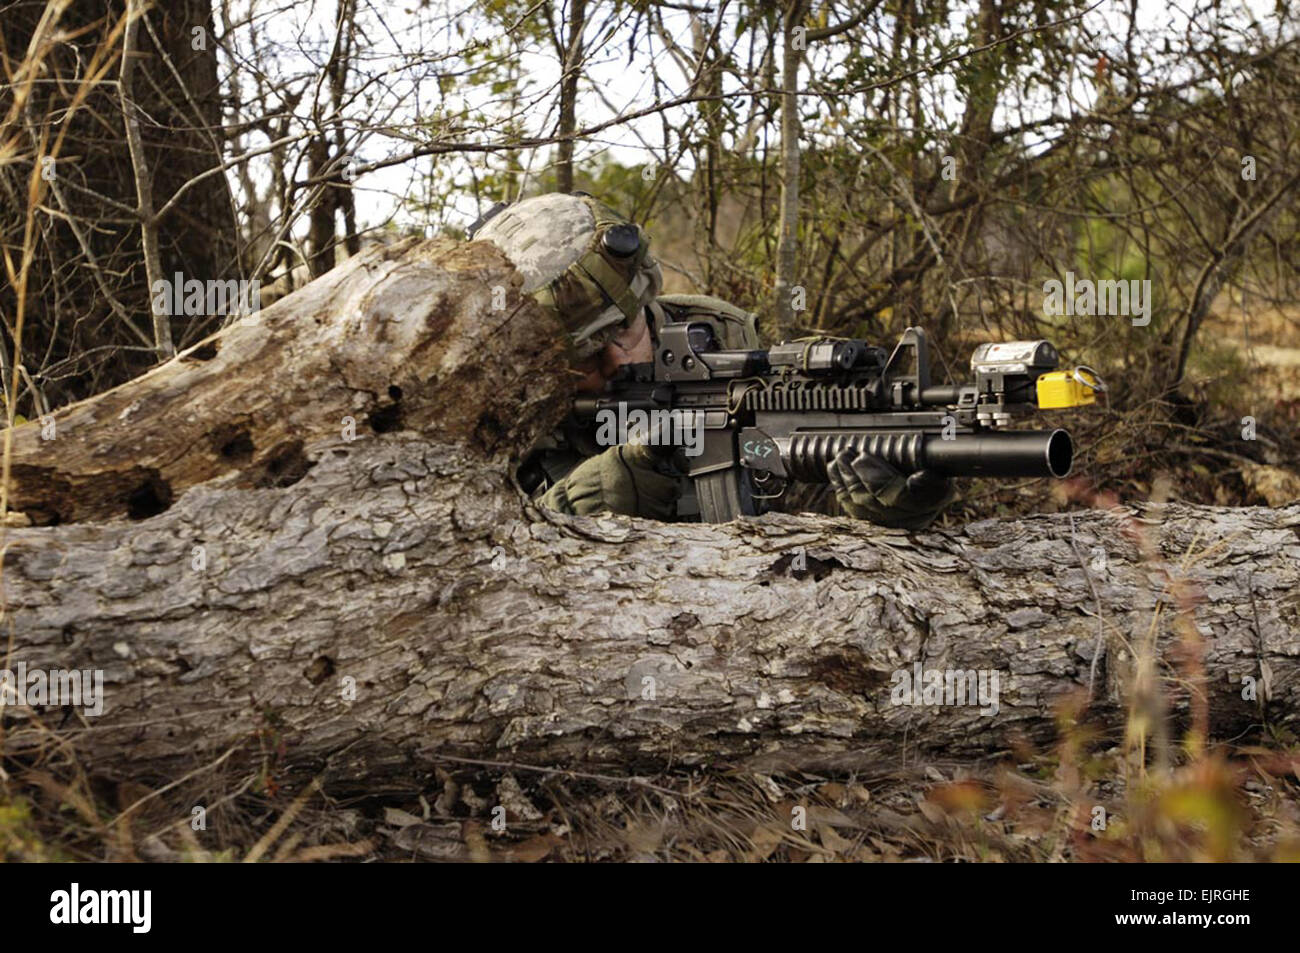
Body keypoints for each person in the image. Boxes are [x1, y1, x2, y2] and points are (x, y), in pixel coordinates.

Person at [470, 191, 954, 529]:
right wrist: (596, 495)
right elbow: (477, 551)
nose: (619, 360)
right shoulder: (489, 413)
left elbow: (803, 506)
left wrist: (886, 512)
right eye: (587, 355)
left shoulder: (722, 343)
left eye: (625, 327)